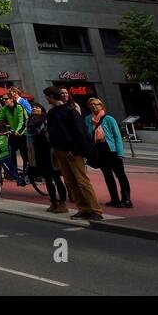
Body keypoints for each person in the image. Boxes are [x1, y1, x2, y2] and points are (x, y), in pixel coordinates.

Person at [44, 86, 102, 220]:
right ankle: (83, 208)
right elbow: (52, 132)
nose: (46, 99)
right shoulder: (52, 113)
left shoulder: (70, 111)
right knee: (70, 182)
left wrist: (75, 150)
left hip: (72, 151)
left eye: (47, 96)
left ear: (52, 96)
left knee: (81, 181)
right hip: (60, 150)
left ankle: (95, 210)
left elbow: (80, 132)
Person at [87, 98, 131, 209]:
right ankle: (114, 198)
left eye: (96, 104)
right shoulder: (88, 119)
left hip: (111, 150)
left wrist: (120, 152)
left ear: (101, 106)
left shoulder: (109, 119)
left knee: (120, 175)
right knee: (108, 176)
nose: (93, 106)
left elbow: (117, 136)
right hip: (99, 150)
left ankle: (126, 199)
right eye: (91, 105)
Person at [27, 103, 67, 213]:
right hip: (38, 152)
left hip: (50, 151)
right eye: (33, 107)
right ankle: (53, 202)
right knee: (47, 179)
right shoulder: (29, 122)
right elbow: (29, 140)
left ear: (42, 110)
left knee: (56, 178)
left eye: (37, 107)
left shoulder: (46, 121)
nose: (34, 108)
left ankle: (62, 202)